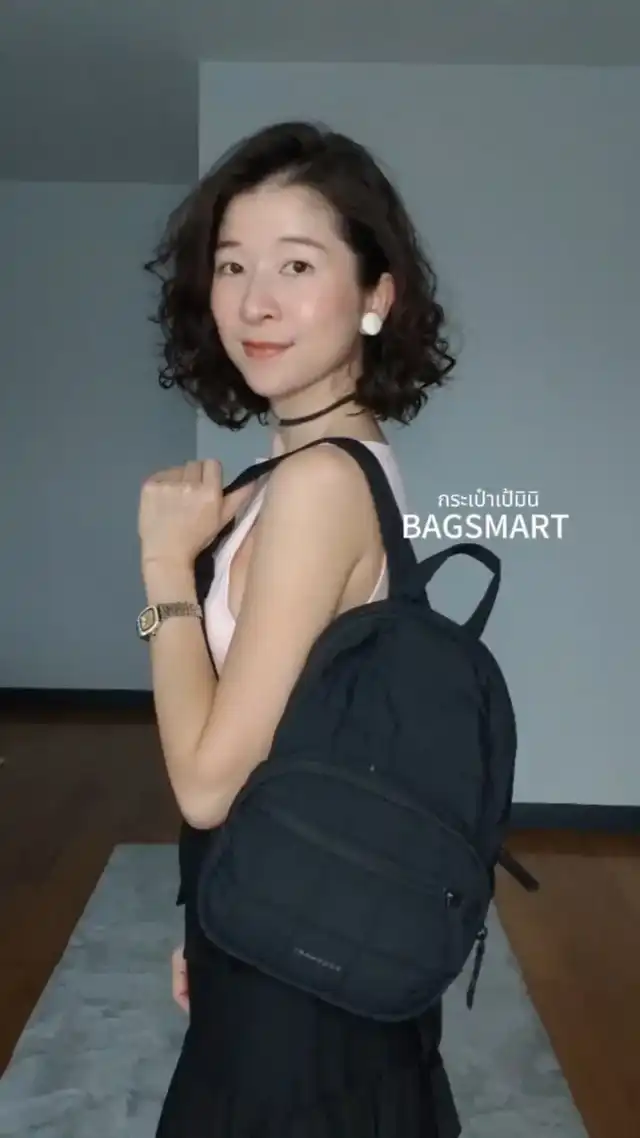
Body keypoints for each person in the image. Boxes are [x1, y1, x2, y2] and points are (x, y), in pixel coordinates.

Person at [140, 119, 461, 1137]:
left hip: (301, 994)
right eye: (232, 265)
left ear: (376, 295)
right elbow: (300, 745)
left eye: (296, 264)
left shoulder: (322, 484)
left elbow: (208, 782)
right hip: (284, 929)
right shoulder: (303, 471)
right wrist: (217, 913)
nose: (254, 301)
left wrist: (162, 567)